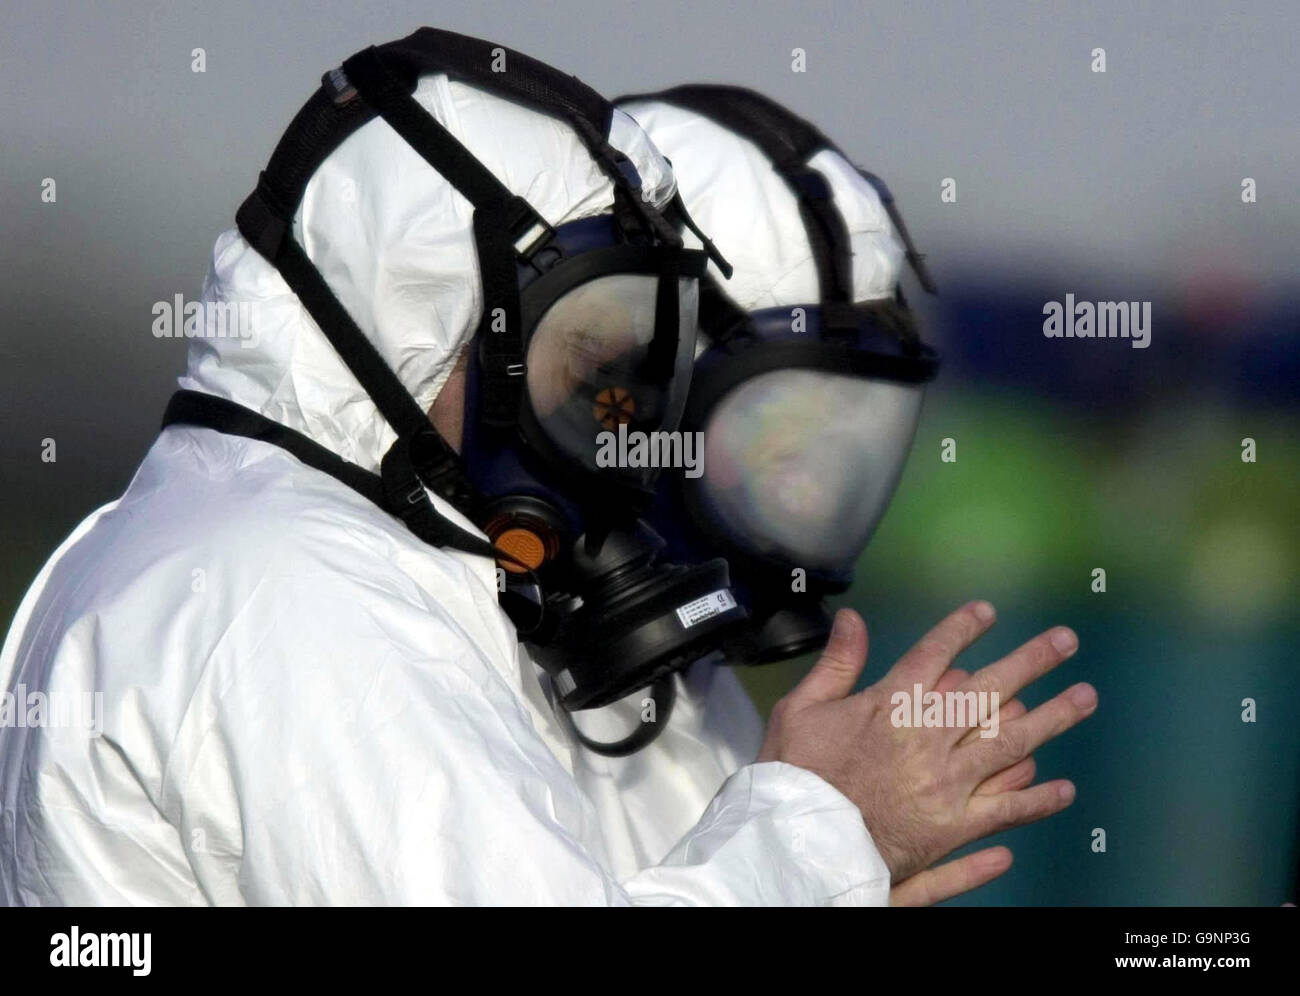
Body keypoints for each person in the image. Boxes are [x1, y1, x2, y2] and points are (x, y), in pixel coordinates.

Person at [0, 31, 1095, 906]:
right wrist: (827, 836)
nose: (614, 423)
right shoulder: (280, 594)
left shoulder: (450, 600)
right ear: (420, 318)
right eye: (599, 359)